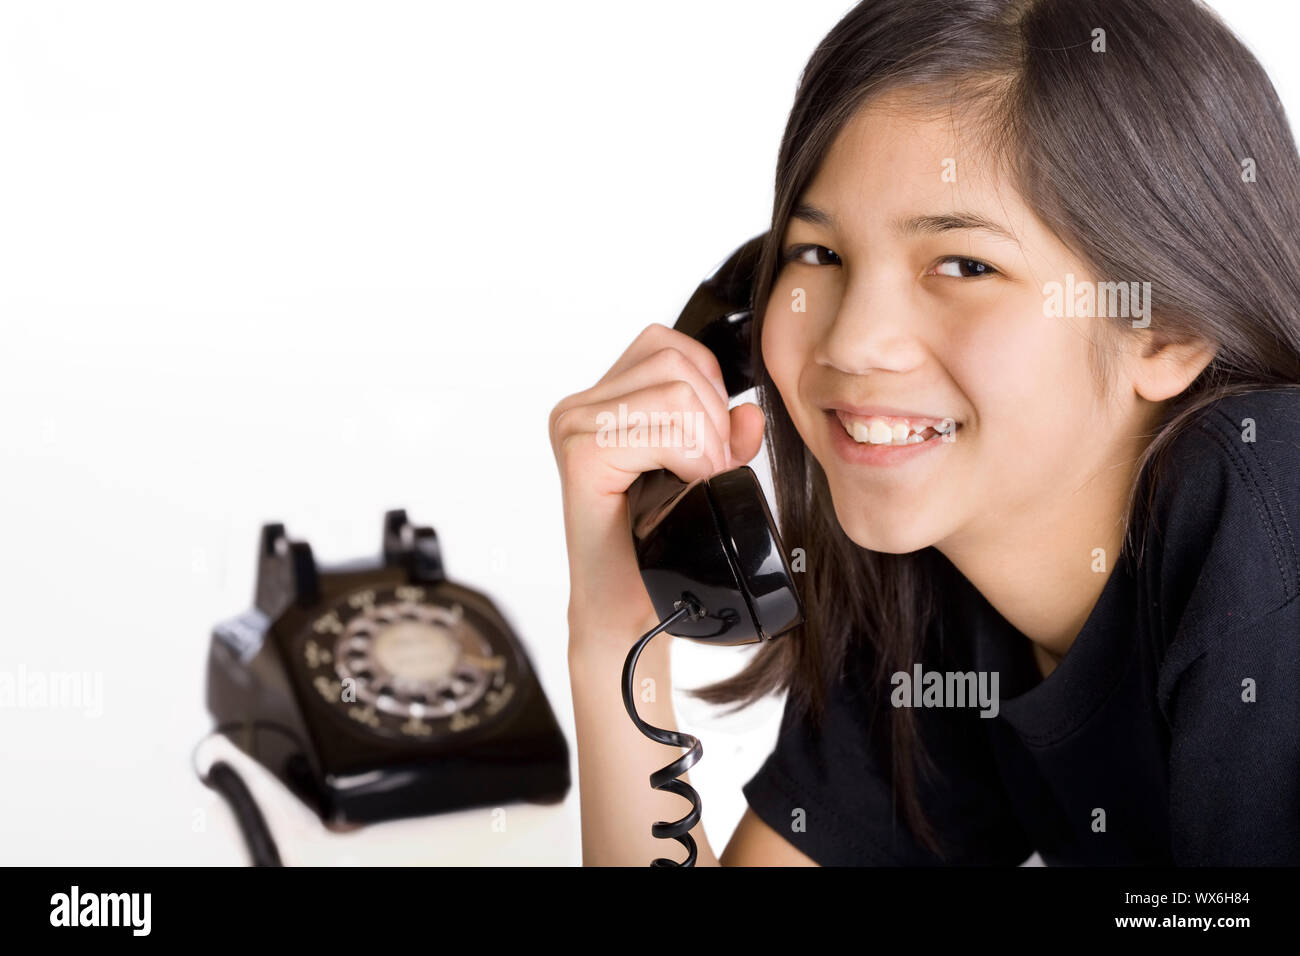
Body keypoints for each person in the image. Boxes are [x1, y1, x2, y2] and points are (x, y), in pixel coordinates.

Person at [548, 0, 1300, 866]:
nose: (851, 341)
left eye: (965, 265)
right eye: (819, 256)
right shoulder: (936, 593)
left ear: (1165, 329)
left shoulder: (1270, 493)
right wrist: (612, 632)